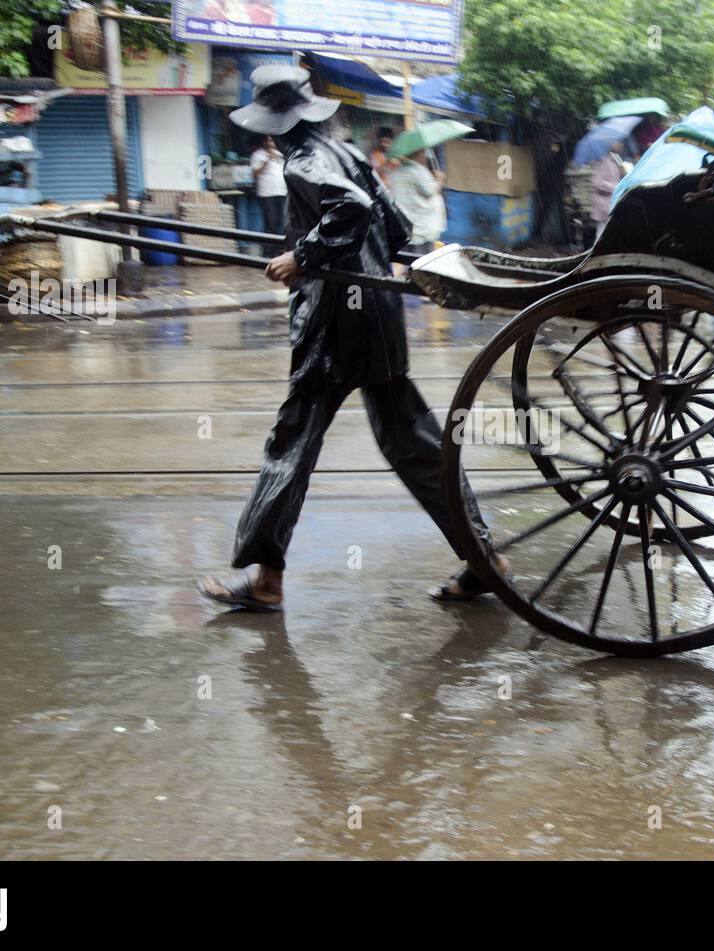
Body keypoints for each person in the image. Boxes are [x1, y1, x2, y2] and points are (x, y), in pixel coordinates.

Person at [197, 65, 505, 612]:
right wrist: (320, 246)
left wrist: (303, 255)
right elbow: (395, 228)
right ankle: (485, 558)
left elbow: (353, 210)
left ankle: (267, 580)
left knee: (292, 443)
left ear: (272, 124)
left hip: (334, 325)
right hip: (377, 314)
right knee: (413, 442)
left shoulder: (304, 160)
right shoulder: (348, 153)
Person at [385, 152, 446, 254]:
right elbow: (430, 191)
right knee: (421, 260)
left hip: (405, 226)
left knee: (403, 258)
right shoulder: (417, 171)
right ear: (418, 153)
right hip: (421, 228)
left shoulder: (396, 172)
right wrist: (439, 180)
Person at [249, 134, 287, 237]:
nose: (271, 143)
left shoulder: (279, 155)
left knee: (282, 223)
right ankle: (270, 251)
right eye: (268, 141)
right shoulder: (257, 155)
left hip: (281, 193)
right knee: (271, 224)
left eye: (272, 141)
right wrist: (267, 160)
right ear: (264, 142)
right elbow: (254, 174)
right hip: (267, 194)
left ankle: (280, 248)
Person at [589, 141, 626, 241]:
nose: (620, 145)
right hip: (604, 203)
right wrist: (615, 187)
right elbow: (597, 182)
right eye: (617, 142)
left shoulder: (615, 160)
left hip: (611, 201)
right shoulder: (603, 161)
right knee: (602, 232)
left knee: (610, 232)